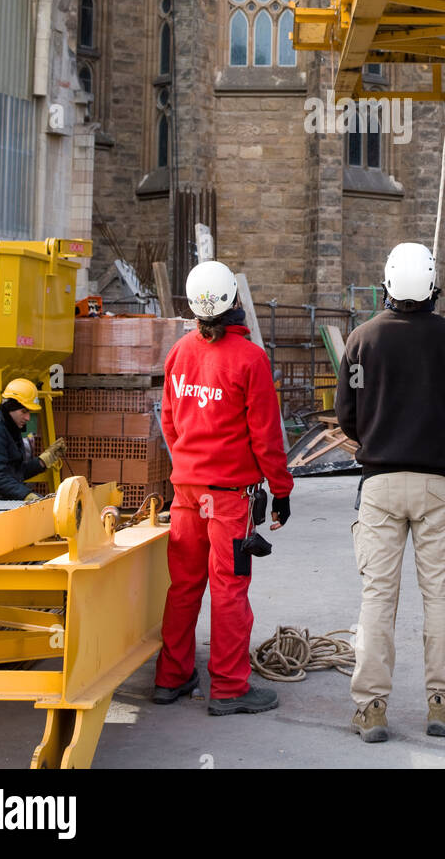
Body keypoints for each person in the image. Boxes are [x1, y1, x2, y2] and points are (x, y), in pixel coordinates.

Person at [335, 241, 445, 743]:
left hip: (380, 487)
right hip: (436, 485)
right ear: (433, 283)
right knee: (439, 595)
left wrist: (377, 435)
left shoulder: (360, 341)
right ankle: (441, 704)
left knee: (377, 597)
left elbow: (347, 415)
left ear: (388, 283)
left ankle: (370, 708)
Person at [153, 261, 294, 715]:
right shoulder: (251, 359)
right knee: (229, 589)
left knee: (183, 586)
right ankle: (230, 688)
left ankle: (171, 677)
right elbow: (266, 436)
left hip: (186, 492)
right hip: (229, 498)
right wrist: (281, 488)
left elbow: (170, 423)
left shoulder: (178, 353)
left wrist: (189, 465)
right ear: (234, 300)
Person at [0, 379, 66, 501]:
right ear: (10, 408)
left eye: (29, 412)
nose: (28, 418)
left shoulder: (10, 430)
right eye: (24, 411)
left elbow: (15, 473)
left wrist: (44, 460)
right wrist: (26, 495)